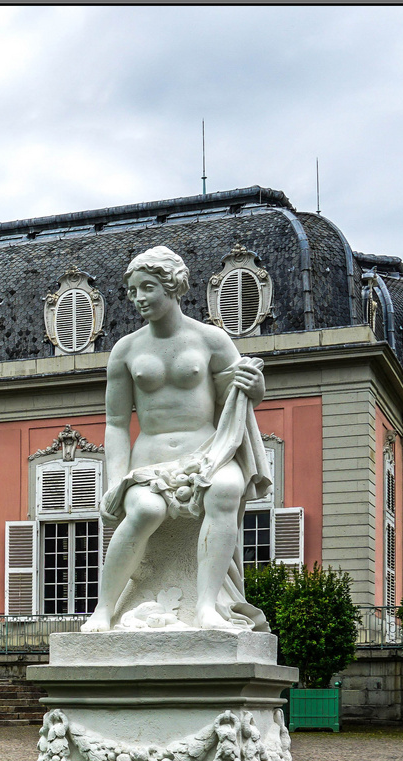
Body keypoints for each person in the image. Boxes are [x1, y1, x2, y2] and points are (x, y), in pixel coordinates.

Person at [82, 245, 271, 632]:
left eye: (147, 288)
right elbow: (116, 423)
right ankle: (103, 609)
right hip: (147, 463)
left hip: (206, 456)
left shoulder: (212, 340)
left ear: (172, 286)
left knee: (225, 490)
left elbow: (235, 400)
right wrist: (115, 479)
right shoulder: (126, 350)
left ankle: (206, 608)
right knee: (146, 511)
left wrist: (257, 386)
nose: (138, 299)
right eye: (133, 291)